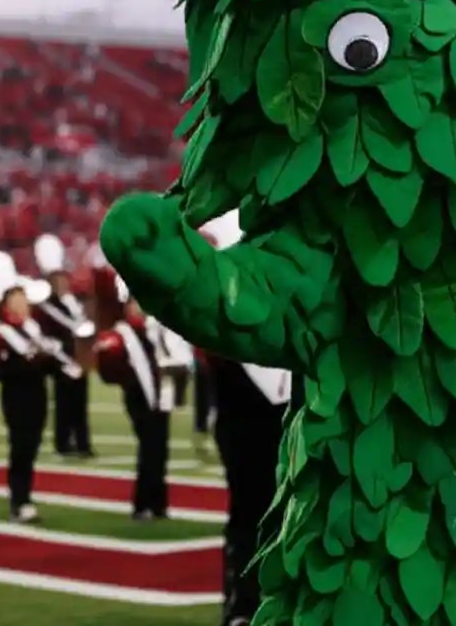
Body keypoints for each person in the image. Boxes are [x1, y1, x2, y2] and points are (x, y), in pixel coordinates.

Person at [196, 211, 292, 626]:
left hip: (282, 416)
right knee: (249, 515)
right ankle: (242, 604)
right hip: (245, 423)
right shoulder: (221, 310)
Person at [0, 252, 58, 523]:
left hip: (38, 396)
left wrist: (48, 359)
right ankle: (19, 501)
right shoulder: (1, 333)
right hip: (16, 399)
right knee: (20, 449)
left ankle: (25, 497)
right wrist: (26, 362)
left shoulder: (33, 329)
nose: (22, 303)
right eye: (16, 299)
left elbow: (47, 365)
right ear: (6, 304)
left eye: (23, 298)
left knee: (31, 448)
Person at [94, 273, 171, 519]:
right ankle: (142, 504)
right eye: (136, 303)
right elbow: (109, 366)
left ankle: (158, 504)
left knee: (159, 450)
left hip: (159, 396)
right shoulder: (122, 333)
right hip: (138, 396)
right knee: (148, 450)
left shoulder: (152, 330)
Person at [33, 234, 96, 458]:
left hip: (78, 357)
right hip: (61, 360)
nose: (62, 283)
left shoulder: (72, 303)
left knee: (80, 402)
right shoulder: (45, 306)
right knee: (63, 403)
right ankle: (63, 442)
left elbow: (83, 327)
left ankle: (83, 443)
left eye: (64, 279)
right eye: (57, 280)